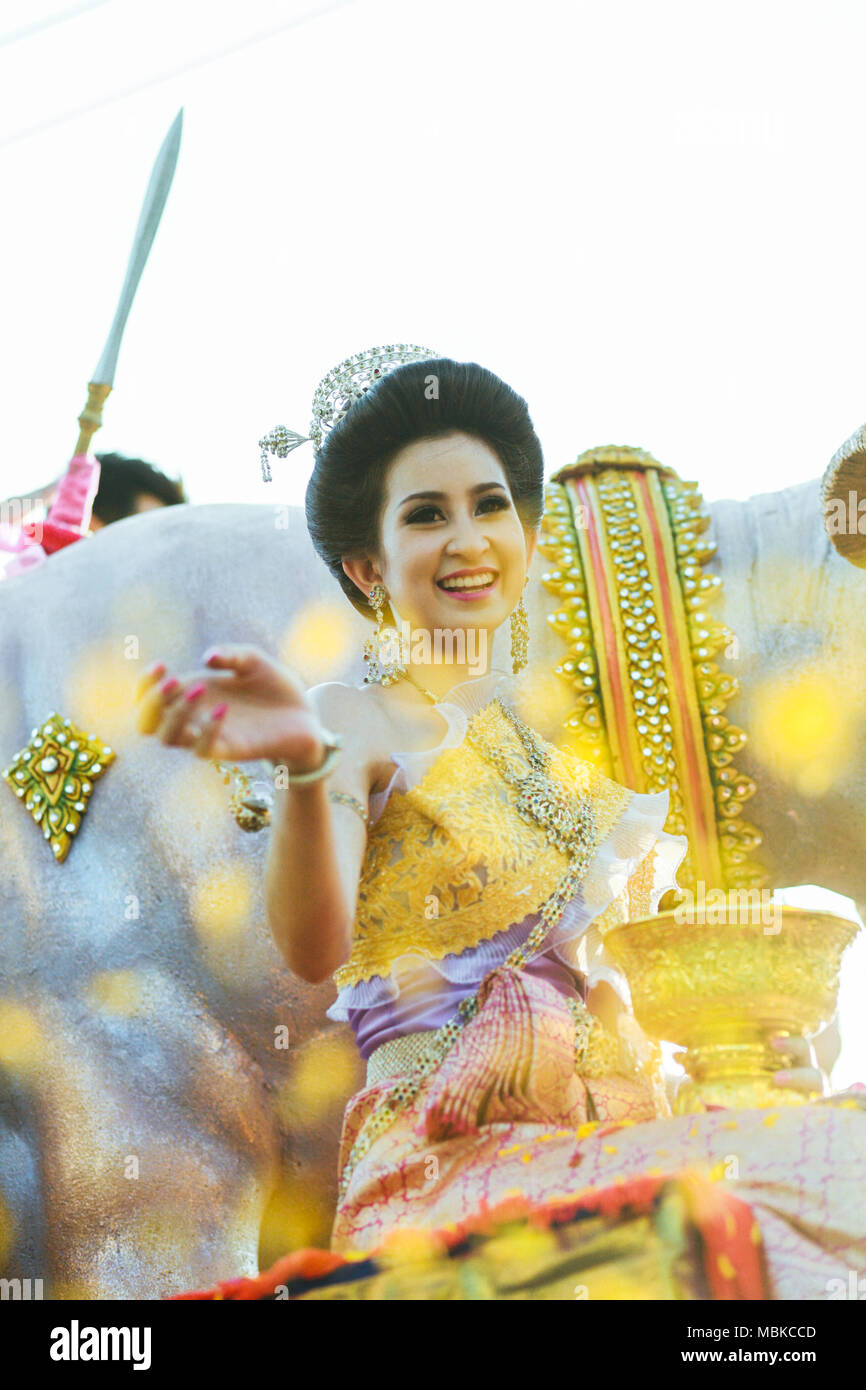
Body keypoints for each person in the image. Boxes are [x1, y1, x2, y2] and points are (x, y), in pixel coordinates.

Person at [136, 349, 866, 1300]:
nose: (468, 537)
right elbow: (314, 948)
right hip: (450, 1167)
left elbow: (627, 1016)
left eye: (490, 506)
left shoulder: (575, 774)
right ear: (369, 565)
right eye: (426, 514)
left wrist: (755, 1047)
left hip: (609, 1146)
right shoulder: (350, 720)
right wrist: (309, 772)